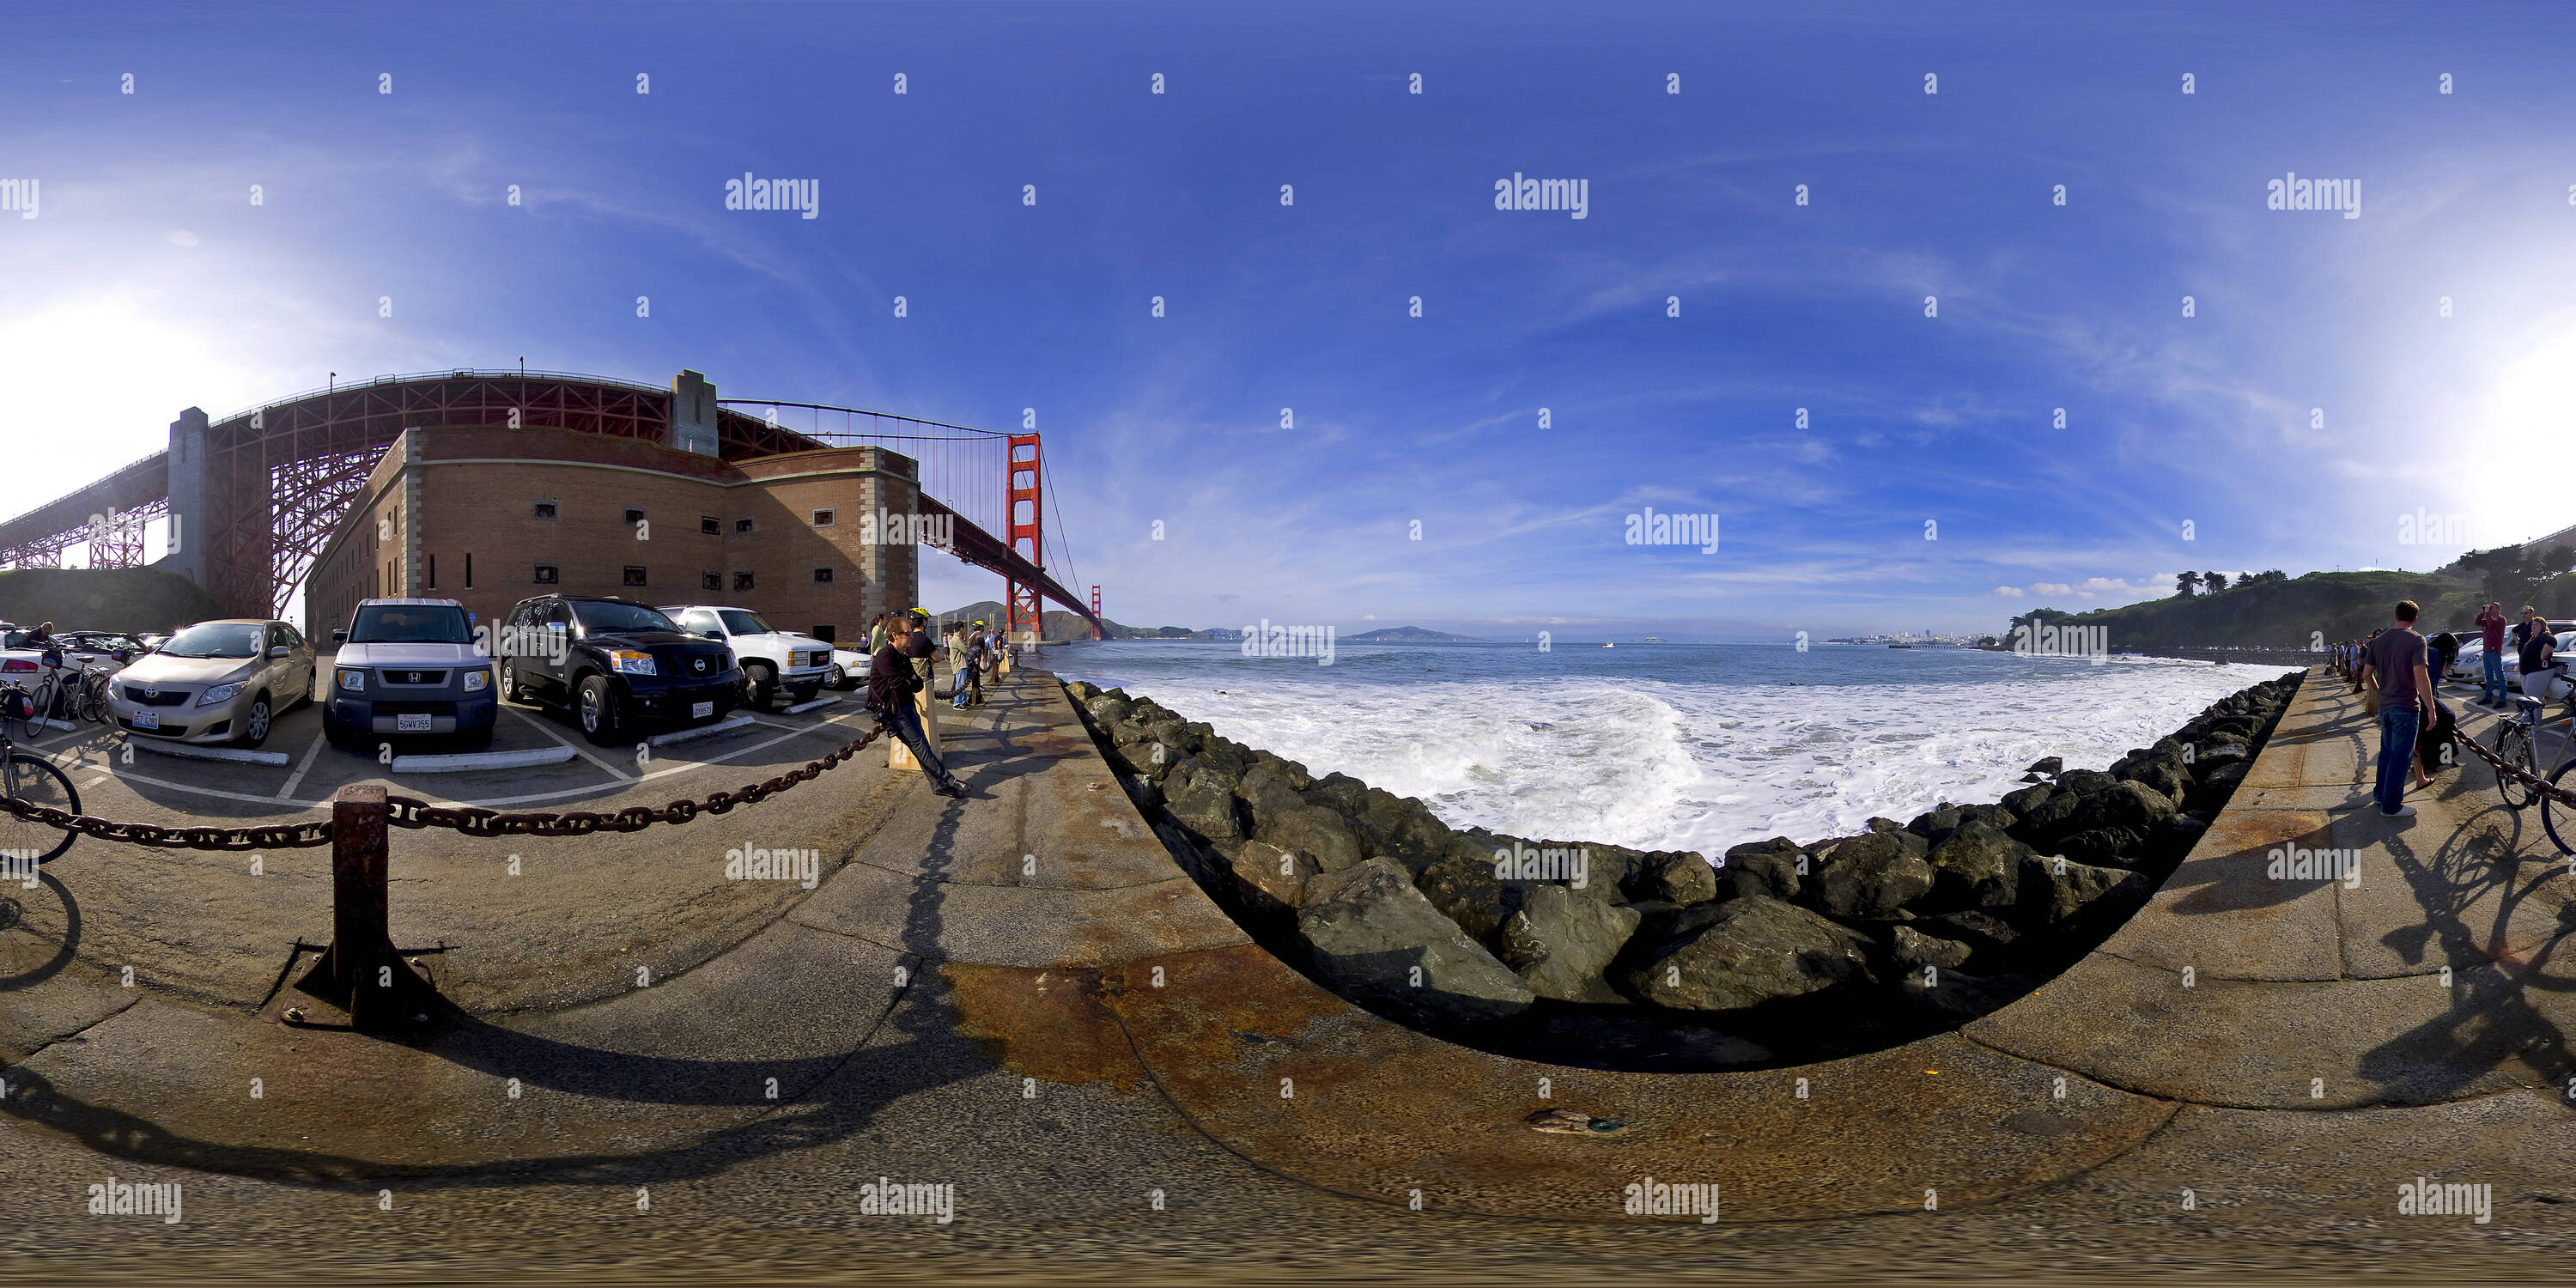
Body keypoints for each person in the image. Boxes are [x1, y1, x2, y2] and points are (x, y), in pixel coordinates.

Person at [868, 616, 967, 797]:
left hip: (907, 705)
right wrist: (907, 680)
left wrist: (907, 680)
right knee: (920, 746)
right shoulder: (885, 656)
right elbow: (898, 683)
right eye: (907, 633)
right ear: (895, 636)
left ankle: (939, 786)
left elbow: (917, 685)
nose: (911, 636)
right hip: (893, 711)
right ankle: (949, 780)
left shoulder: (903, 657)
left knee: (923, 748)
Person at [2361, 601, 2434, 818]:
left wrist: (2380, 692)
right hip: (2405, 706)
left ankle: (2380, 795)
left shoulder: (2379, 641)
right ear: (2415, 619)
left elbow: (2366, 674)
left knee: (2386, 753)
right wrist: (2431, 709)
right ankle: (2392, 806)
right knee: (2401, 757)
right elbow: (2421, 677)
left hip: (2385, 707)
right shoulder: (2417, 640)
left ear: (2395, 616)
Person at [2514, 605, 2561, 706]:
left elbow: (2552, 641)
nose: (2533, 627)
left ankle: (2534, 720)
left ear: (2542, 626)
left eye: (2536, 625)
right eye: (2533, 625)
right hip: (2527, 672)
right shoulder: (2534, 638)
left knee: (2533, 698)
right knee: (2529, 698)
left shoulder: (2544, 635)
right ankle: (2529, 718)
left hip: (2537, 670)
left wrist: (2543, 654)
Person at [2477, 602, 2511, 708]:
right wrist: (2482, 613)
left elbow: (2492, 623)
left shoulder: (2501, 619)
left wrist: (2487, 614)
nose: (2490, 609)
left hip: (2494, 651)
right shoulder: (2489, 618)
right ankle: (2488, 697)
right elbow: (2478, 622)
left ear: (2498, 608)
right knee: (2489, 676)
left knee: (2499, 675)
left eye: (2492, 607)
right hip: (2486, 651)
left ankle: (2502, 699)